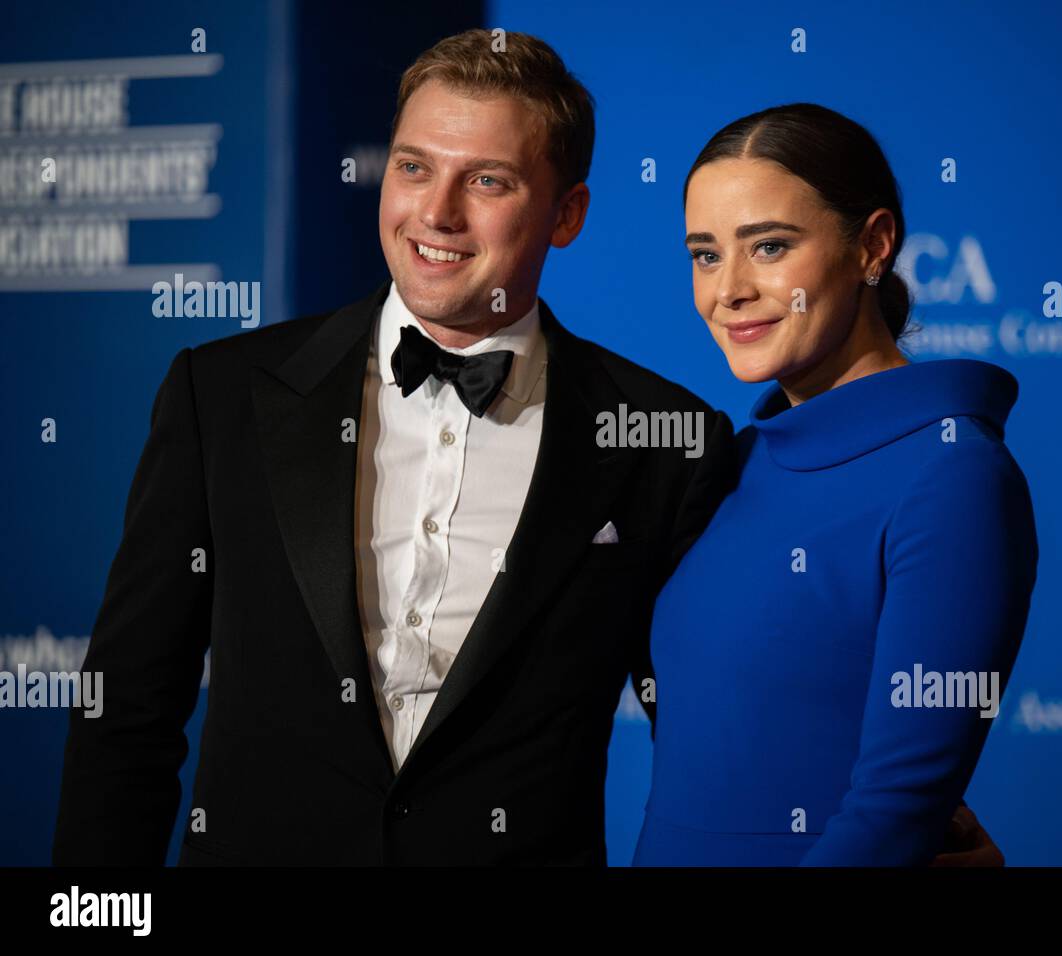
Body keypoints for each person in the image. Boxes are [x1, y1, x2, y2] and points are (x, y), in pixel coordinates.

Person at [52, 31, 1002, 866]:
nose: (436, 212)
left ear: (568, 215)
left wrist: (918, 831)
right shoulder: (224, 394)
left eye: (489, 181)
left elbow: (722, 709)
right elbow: (127, 711)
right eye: (414, 167)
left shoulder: (669, 442)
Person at [632, 104, 1038, 866]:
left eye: (771, 247)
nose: (730, 290)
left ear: (873, 246)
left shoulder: (954, 476)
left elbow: (892, 815)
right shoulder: (731, 463)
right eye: (705, 255)